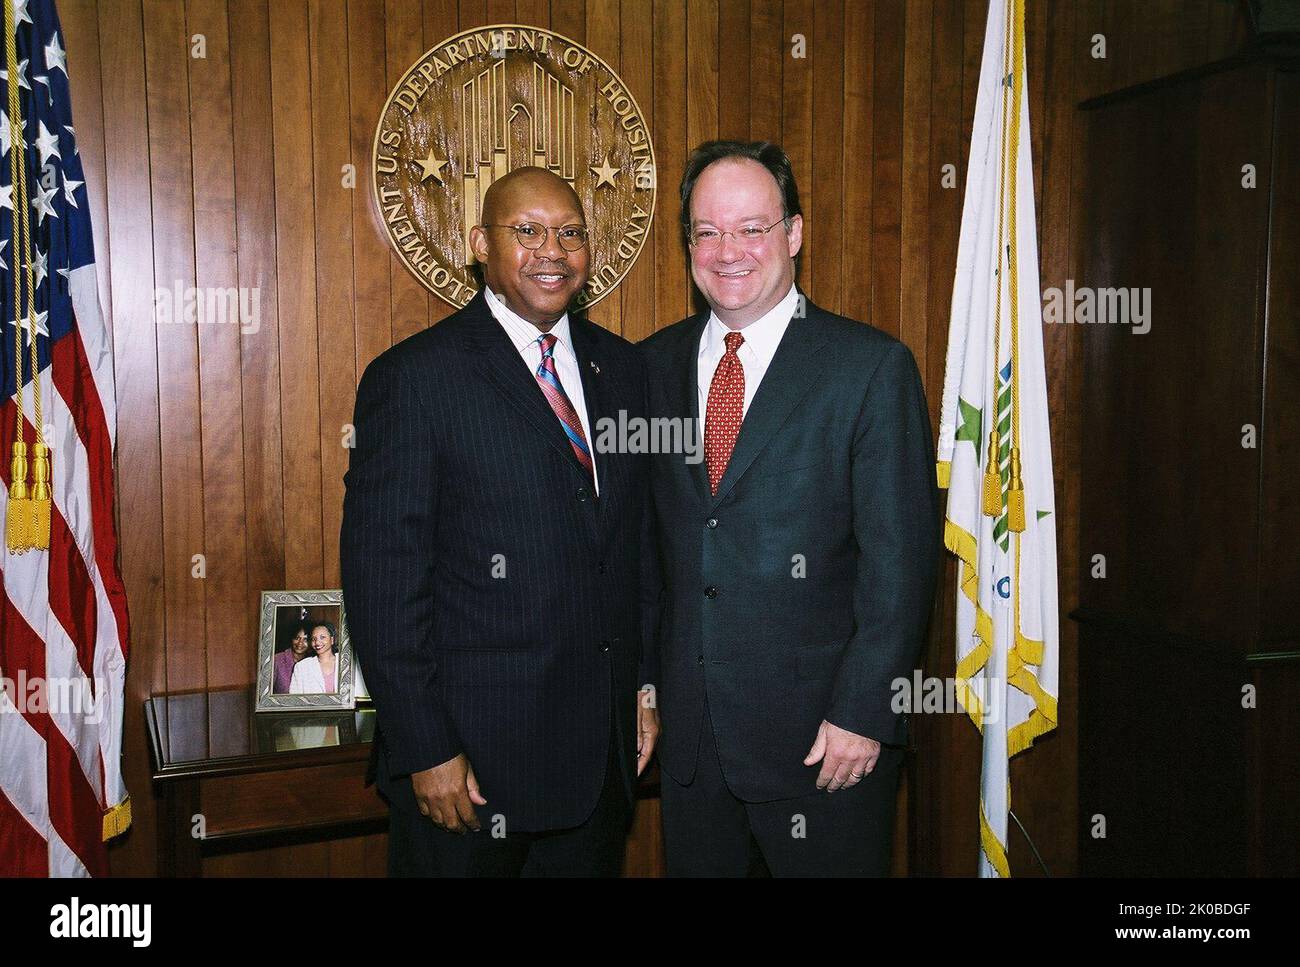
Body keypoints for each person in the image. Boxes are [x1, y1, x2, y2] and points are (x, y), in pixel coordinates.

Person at [341, 166, 658, 877]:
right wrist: (425, 747)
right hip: (469, 773)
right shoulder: (415, 379)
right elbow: (383, 585)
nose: (555, 250)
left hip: (598, 767)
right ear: (481, 243)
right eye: (529, 231)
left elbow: (636, 549)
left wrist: (641, 688)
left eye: (572, 233)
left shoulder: (625, 370)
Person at [641, 140, 940, 876]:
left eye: (752, 227)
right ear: (687, 246)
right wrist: (645, 685)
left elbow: (900, 563)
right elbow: (645, 550)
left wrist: (865, 712)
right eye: (707, 231)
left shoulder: (869, 368)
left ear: (795, 234)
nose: (728, 250)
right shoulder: (649, 366)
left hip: (826, 748)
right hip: (691, 750)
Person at [289, 621, 339, 694]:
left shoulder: (346, 662)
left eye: (322, 637)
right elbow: (294, 699)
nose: (317, 642)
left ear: (332, 640)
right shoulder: (301, 667)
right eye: (314, 639)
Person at [274, 623, 311, 694]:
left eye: (305, 640)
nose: (300, 643)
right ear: (291, 639)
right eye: (297, 638)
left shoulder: (312, 663)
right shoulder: (277, 660)